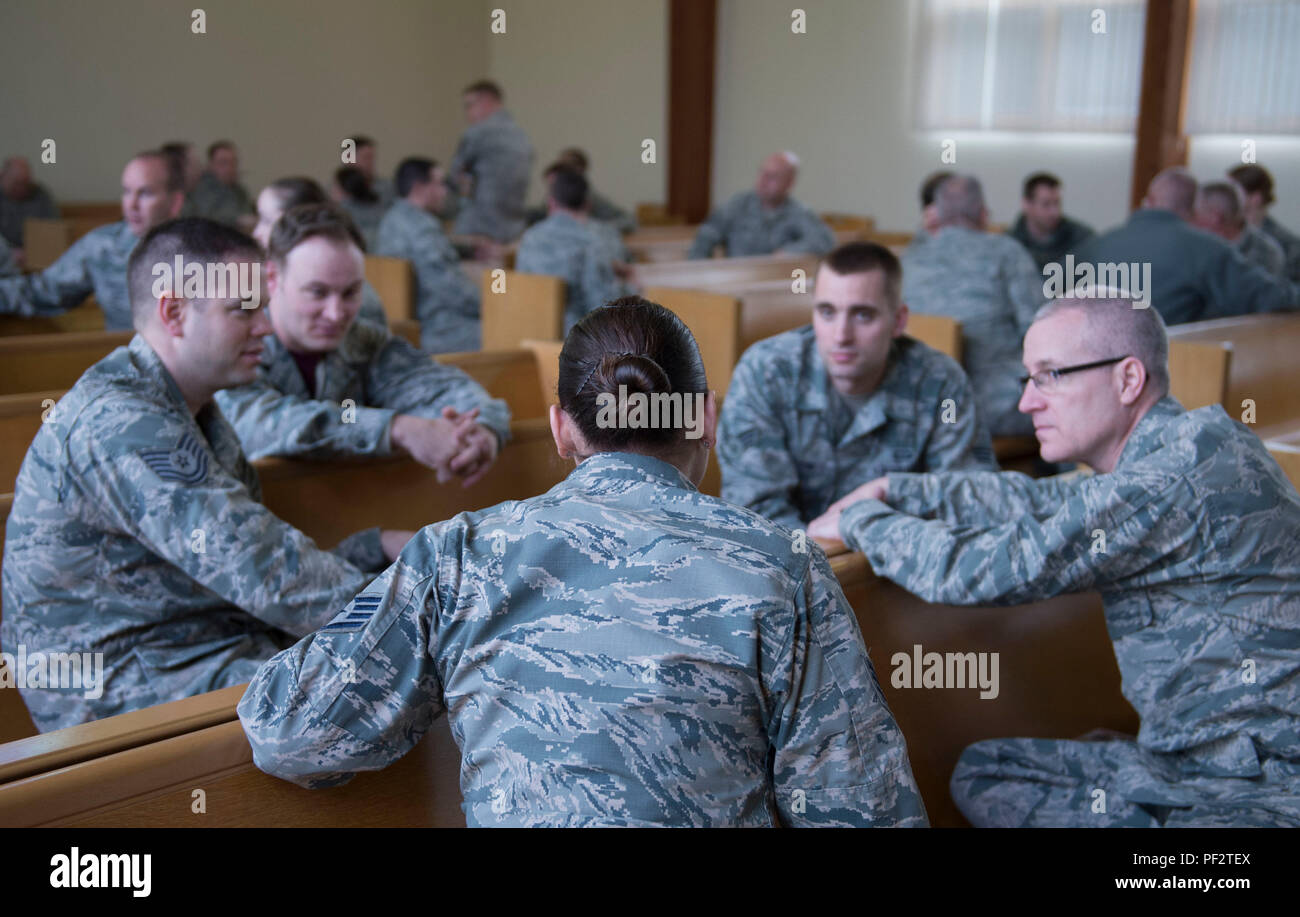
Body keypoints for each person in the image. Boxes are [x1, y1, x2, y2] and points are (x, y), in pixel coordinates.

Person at [237, 296, 928, 827]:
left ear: (562, 430)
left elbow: (286, 732)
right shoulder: (786, 566)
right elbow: (862, 810)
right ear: (705, 420)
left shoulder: (458, 554)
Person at [810, 296, 1300, 827]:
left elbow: (994, 569)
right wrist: (897, 490)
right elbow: (1040, 501)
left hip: (1261, 782)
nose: (1026, 402)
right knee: (986, 771)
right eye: (1027, 378)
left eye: (1050, 376)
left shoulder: (1168, 480)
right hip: (1196, 763)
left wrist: (864, 521)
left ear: (1128, 379)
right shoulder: (1188, 445)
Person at [1, 217, 414, 732]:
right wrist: (416, 609)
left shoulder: (195, 410)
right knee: (377, 691)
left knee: (388, 662)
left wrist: (374, 553)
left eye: (263, 307)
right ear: (174, 312)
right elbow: (264, 574)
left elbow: (251, 562)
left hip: (193, 639)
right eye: (244, 310)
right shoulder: (121, 420)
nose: (265, 326)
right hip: (117, 684)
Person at [215, 203, 507, 481]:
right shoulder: (236, 343)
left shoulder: (363, 341)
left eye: (350, 293)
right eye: (317, 292)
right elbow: (256, 425)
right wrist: (395, 429)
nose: (336, 314)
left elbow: (441, 387)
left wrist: (480, 431)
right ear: (272, 278)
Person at [719, 242, 996, 530]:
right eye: (827, 312)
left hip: (896, 567)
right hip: (786, 566)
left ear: (898, 321)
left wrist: (868, 536)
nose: (841, 336)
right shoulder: (766, 372)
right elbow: (755, 511)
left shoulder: (941, 383)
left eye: (863, 315)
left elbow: (970, 502)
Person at [901, 174, 1044, 437]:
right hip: (993, 405)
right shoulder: (1007, 252)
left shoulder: (909, 258)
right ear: (982, 213)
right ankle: (1071, 477)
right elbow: (1040, 330)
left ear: (936, 214)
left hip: (920, 405)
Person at [1075, 168, 1297, 325]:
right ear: (1194, 206)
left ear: (1149, 201)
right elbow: (1272, 298)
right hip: (1173, 370)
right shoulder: (1206, 249)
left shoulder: (1099, 243)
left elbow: (1051, 289)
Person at [0, 150, 184, 330]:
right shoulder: (103, 246)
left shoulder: (203, 249)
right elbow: (44, 291)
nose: (132, 205)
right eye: (127, 191)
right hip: (123, 356)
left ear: (175, 202)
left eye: (145, 193)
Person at [375, 157, 482, 353]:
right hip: (437, 328)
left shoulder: (390, 220)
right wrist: (492, 305)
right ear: (419, 188)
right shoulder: (423, 228)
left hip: (404, 323)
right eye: (440, 184)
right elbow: (452, 292)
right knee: (510, 331)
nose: (445, 192)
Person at [252, 175, 387, 326]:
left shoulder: (362, 305)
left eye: (266, 220)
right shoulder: (254, 277)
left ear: (295, 222)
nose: (256, 233)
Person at [515, 166, 631, 333]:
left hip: (533, 333)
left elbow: (522, 290)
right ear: (588, 203)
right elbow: (605, 307)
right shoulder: (594, 242)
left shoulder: (529, 238)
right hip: (577, 342)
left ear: (551, 202)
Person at [689, 152, 834, 259]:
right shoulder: (737, 206)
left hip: (776, 279)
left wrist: (788, 252)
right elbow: (705, 236)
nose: (763, 181)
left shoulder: (798, 212)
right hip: (736, 277)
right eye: (762, 173)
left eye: (773, 177)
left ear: (789, 183)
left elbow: (824, 241)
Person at [449, 80, 534, 243]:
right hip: (513, 228)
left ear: (486, 101)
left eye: (469, 105)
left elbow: (455, 175)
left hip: (478, 227)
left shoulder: (478, 132)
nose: (467, 113)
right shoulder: (522, 136)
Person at [1194, 181, 1286, 277]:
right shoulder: (1200, 245)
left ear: (1215, 218)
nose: (1192, 219)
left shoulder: (1266, 254)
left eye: (1197, 212)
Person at [1006, 172, 1094, 272]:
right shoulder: (1009, 246)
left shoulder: (1082, 240)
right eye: (1046, 204)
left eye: (1057, 203)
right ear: (1026, 204)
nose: (1054, 212)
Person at [1229, 163, 1300, 283]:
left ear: (1255, 198)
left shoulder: (1289, 246)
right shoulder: (1221, 233)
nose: (1225, 197)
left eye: (1232, 192)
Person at [186, 141, 255, 231]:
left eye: (233, 162)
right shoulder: (199, 188)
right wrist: (237, 220)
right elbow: (203, 219)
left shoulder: (241, 191)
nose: (229, 168)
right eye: (223, 162)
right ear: (210, 165)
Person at [0, 155, 59, 262]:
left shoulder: (40, 195)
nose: (22, 188)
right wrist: (9, 253)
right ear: (2, 177)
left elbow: (53, 229)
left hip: (37, 258)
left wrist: (33, 251)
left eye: (25, 183)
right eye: (17, 183)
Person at [333, 165, 386, 250]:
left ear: (344, 190)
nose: (332, 190)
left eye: (335, 186)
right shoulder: (381, 207)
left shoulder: (341, 215)